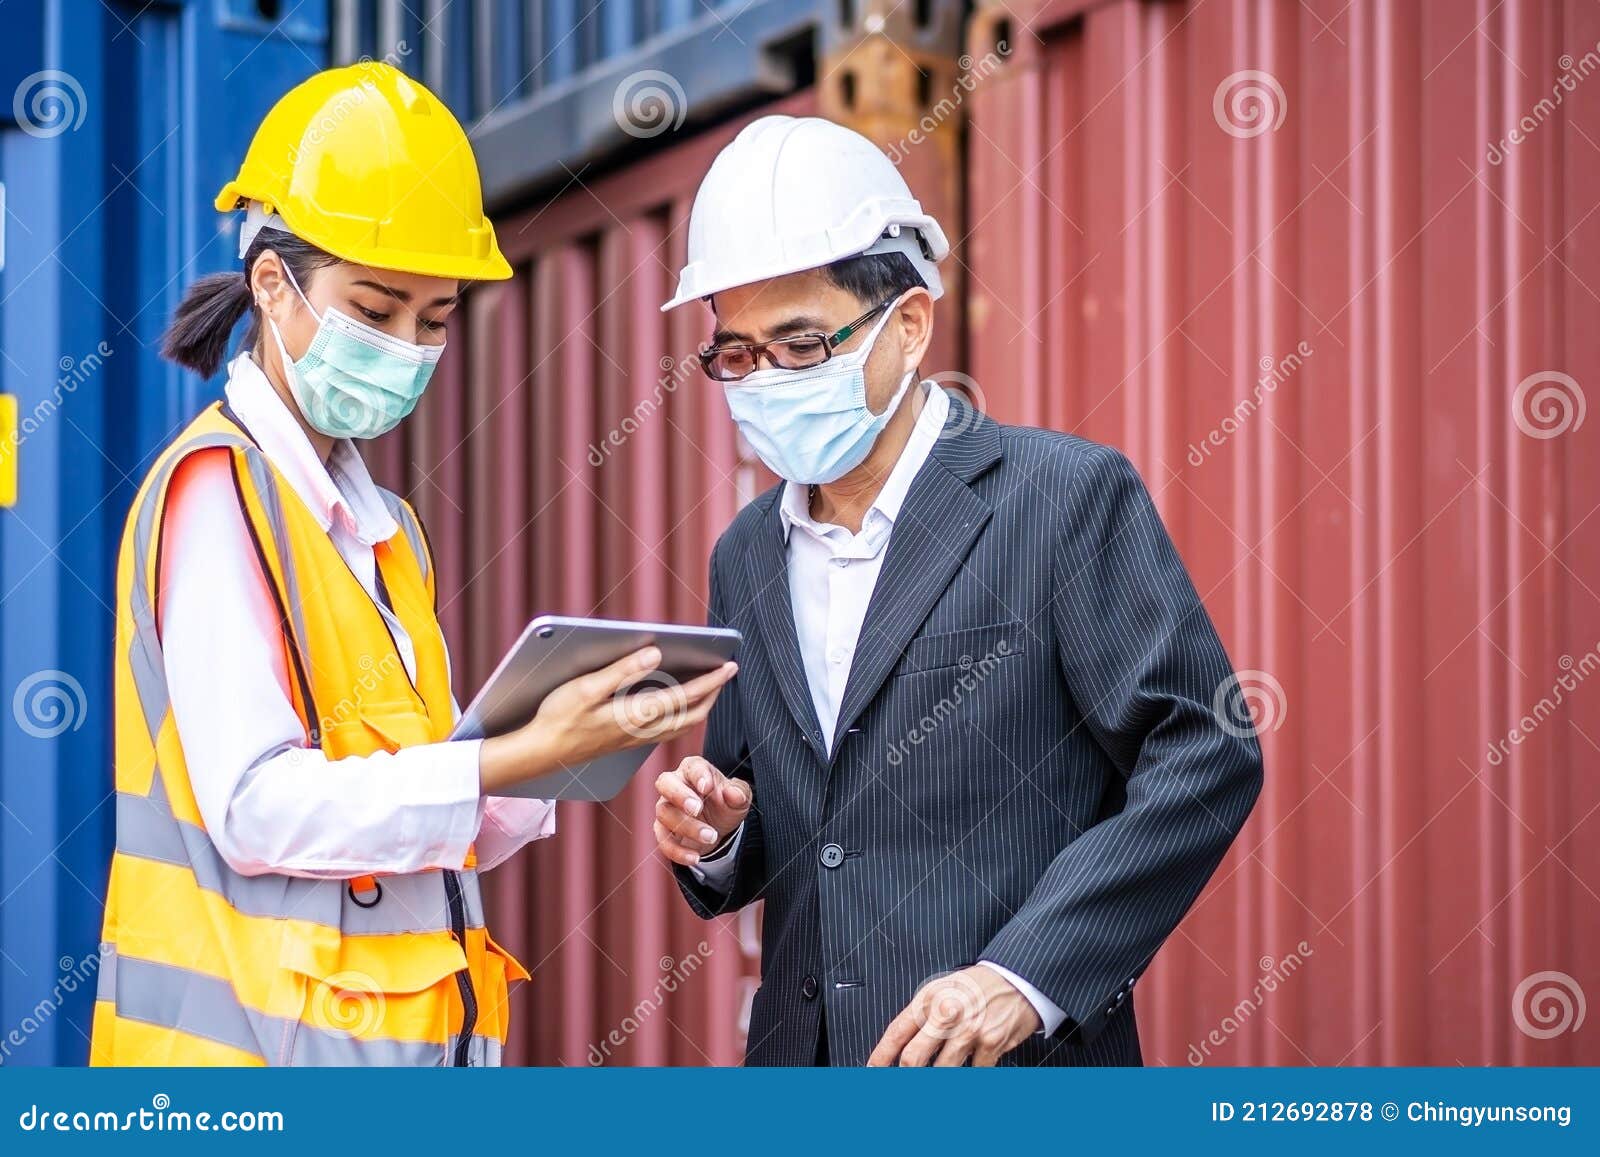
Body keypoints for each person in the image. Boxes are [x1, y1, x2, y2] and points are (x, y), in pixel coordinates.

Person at [92, 63, 734, 1067]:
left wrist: (564, 746)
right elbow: (257, 811)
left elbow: (414, 819)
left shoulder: (381, 526)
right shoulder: (217, 491)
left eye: (434, 320)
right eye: (378, 307)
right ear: (274, 283)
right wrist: (500, 758)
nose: (408, 344)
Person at [652, 116, 1263, 1066]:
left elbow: (1207, 746)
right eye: (736, 353)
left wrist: (1024, 977)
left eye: (800, 344)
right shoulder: (745, 557)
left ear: (909, 323)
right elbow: (793, 827)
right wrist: (721, 835)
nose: (763, 380)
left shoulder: (1060, 500)